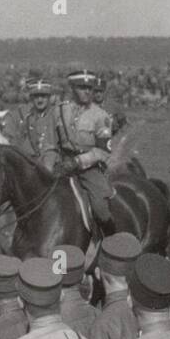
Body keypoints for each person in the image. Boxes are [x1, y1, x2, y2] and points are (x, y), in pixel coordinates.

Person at [57, 69, 116, 235]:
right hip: (61, 165)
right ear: (72, 89)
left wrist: (78, 161)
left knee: (100, 209)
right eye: (82, 87)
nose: (87, 91)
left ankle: (111, 242)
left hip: (88, 170)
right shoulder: (60, 111)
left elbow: (104, 151)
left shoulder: (101, 116)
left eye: (89, 88)